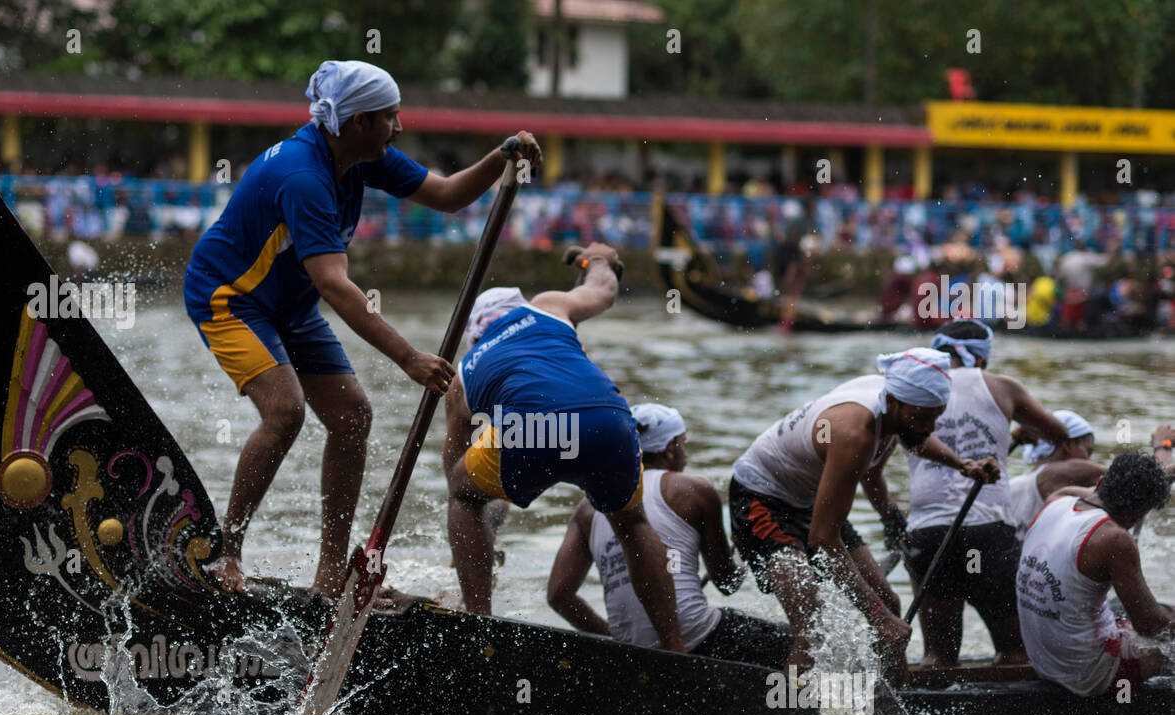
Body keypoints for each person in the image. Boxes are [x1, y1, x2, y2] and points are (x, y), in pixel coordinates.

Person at [183, 60, 542, 596]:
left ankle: (330, 574)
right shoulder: (304, 177)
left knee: (352, 417)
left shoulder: (360, 155)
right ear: (355, 123)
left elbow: (446, 196)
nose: (399, 126)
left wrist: (500, 156)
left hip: (290, 303)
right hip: (229, 298)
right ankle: (225, 554)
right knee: (285, 412)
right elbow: (336, 285)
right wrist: (408, 358)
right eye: (390, 117)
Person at [444, 246, 685, 652]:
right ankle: (675, 649)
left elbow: (456, 471)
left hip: (532, 432)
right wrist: (597, 259)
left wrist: (481, 526)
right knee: (632, 522)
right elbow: (603, 290)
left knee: (462, 494)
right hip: (610, 419)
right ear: (518, 307)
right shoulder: (549, 307)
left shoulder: (461, 376)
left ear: (476, 333)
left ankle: (479, 626)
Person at [729, 348, 997, 683]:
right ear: (893, 402)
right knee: (812, 626)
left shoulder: (896, 404)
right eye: (922, 417)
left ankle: (897, 702)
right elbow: (823, 540)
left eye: (936, 416)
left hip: (810, 499)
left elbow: (912, 437)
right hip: (761, 498)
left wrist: (963, 465)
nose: (929, 426)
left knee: (889, 599)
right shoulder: (854, 434)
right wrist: (878, 616)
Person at [547, 404, 788, 665]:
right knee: (802, 641)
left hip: (628, 647)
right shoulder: (693, 489)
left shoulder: (587, 507)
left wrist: (610, 635)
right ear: (669, 448)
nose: (684, 455)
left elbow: (559, 596)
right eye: (682, 444)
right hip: (696, 636)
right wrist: (741, 554)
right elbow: (727, 582)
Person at [891, 320, 1069, 667]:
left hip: (928, 531)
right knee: (1016, 654)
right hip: (987, 531)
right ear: (983, 358)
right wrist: (1021, 428)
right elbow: (1059, 433)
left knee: (937, 657)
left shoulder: (911, 392)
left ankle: (931, 710)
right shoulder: (1003, 387)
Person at [1017, 452, 1174, 696]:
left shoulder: (1056, 500)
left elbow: (1086, 495)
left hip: (1043, 662)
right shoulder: (1115, 539)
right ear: (1137, 515)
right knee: (1166, 633)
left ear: (1100, 483)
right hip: (1087, 674)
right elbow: (1150, 625)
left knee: (1160, 610)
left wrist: (1164, 471)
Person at [1009, 410, 1103, 541]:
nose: (1089, 459)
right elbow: (1092, 471)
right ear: (1068, 445)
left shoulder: (1015, 483)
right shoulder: (1051, 475)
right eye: (1088, 451)